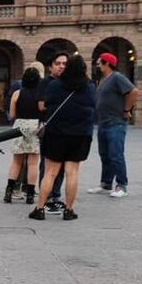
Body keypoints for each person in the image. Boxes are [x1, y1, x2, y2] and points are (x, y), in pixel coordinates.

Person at [30, 55, 96, 221]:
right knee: (72, 173)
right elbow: (93, 106)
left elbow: (46, 104)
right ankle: (69, 210)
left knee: (50, 173)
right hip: (80, 134)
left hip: (56, 133)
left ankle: (40, 209)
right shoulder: (89, 87)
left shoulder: (55, 85)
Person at [87, 52, 138, 198]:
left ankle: (122, 185)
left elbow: (133, 91)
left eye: (99, 62)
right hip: (103, 123)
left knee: (116, 155)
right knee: (105, 155)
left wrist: (127, 110)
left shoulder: (117, 77)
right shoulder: (104, 79)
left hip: (115, 122)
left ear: (107, 63)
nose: (97, 65)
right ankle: (106, 183)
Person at [4, 63, 44, 204]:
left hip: (19, 127)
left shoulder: (17, 93)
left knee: (16, 162)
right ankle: (30, 195)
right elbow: (42, 111)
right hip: (34, 127)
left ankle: (9, 192)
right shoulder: (40, 95)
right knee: (33, 164)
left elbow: (12, 114)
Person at [38, 52, 69, 214]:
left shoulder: (67, 83)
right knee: (47, 164)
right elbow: (41, 106)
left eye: (64, 64)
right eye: (58, 63)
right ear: (50, 67)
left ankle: (55, 195)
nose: (61, 66)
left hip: (65, 129)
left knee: (62, 165)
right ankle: (47, 196)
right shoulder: (46, 83)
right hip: (50, 129)